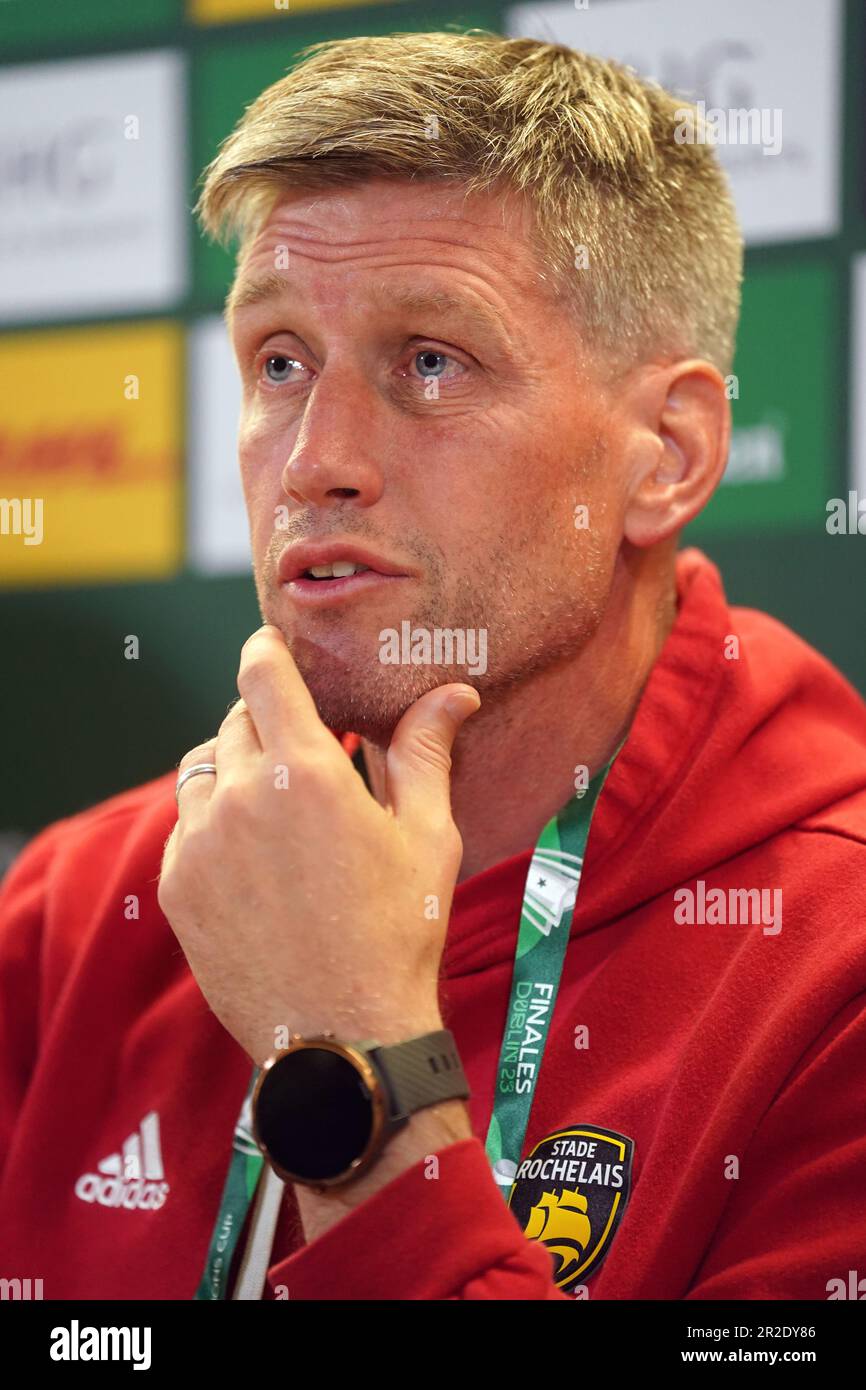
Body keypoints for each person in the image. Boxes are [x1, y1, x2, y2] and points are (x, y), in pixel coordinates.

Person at [1, 30, 865, 1302]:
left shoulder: (830, 983)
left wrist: (349, 1060)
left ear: (669, 454)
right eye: (279, 362)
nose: (313, 460)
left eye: (428, 362)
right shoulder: (84, 914)